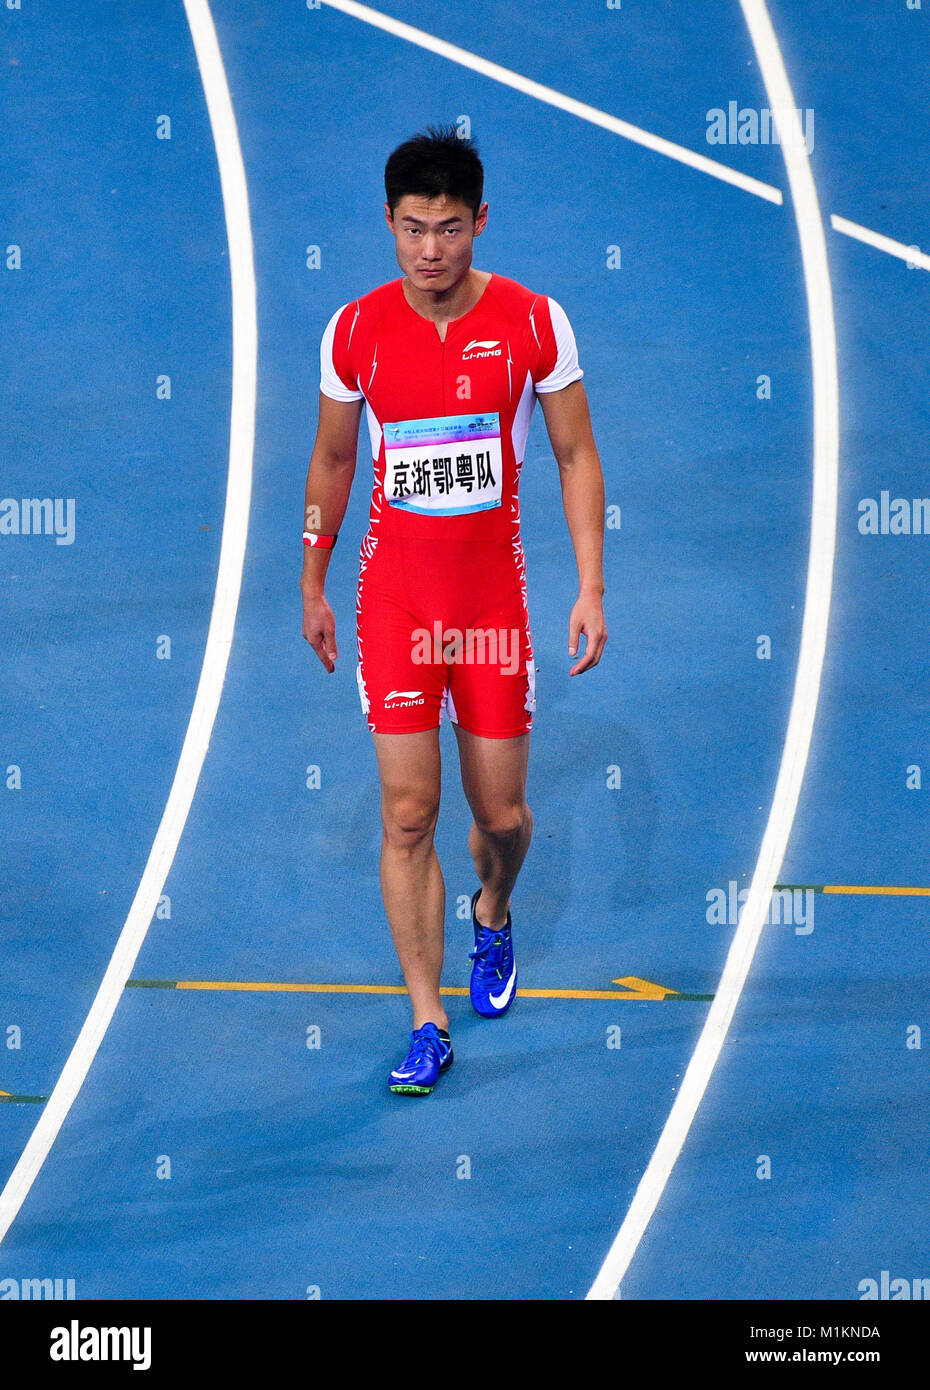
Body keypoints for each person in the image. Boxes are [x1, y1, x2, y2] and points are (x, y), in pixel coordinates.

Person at [300, 125, 607, 1095]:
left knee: (501, 816)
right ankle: (427, 1018)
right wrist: (311, 575)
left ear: (482, 223)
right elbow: (336, 461)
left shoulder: (533, 324)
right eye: (412, 229)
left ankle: (497, 908)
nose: (430, 251)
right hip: (395, 601)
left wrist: (592, 583)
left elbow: (573, 456)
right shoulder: (354, 333)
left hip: (489, 612)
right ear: (387, 224)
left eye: (449, 229)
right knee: (407, 813)